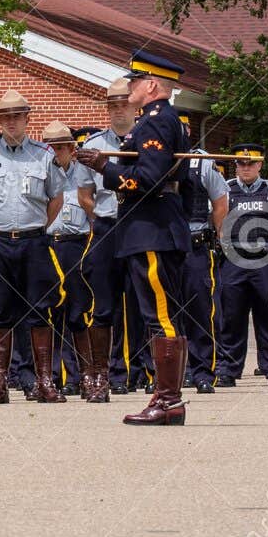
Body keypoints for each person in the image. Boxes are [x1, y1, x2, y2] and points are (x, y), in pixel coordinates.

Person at [73, 51, 193, 426]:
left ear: (153, 86)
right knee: (160, 316)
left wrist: (104, 168)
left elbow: (150, 177)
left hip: (152, 230)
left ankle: (169, 400)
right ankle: (166, 397)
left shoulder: (156, 122)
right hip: (149, 229)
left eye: (136, 82)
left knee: (161, 318)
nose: (130, 88)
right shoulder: (156, 122)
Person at [0, 91, 66, 404]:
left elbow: (56, 198)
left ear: (26, 119)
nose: (11, 122)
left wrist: (39, 228)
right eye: (5, 117)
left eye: (16, 116)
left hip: (34, 241)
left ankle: (44, 380)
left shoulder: (44, 155)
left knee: (39, 310)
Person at [78, 80, 143, 394]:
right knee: (103, 305)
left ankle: (143, 371)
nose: (119, 111)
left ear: (135, 106)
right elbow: (84, 195)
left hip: (139, 228)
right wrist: (102, 216)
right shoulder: (93, 146)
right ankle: (104, 375)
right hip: (106, 228)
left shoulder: (147, 140)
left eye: (124, 104)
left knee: (141, 304)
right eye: (113, 106)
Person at [214, 143, 268, 388]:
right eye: (241, 163)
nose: (245, 168)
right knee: (231, 316)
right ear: (235, 165)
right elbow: (216, 220)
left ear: (260, 164)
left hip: (263, 262)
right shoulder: (225, 190)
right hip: (233, 260)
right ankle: (228, 369)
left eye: (250, 163)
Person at [179, 113, 227, 393]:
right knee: (169, 315)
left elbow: (220, 203)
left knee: (201, 311)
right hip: (166, 248)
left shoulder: (202, 161)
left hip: (196, 245)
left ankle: (202, 372)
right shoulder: (154, 158)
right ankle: (172, 372)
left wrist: (215, 235)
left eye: (183, 129)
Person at [42, 122, 90, 401]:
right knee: (48, 315)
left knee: (76, 313)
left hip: (75, 246)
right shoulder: (39, 174)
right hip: (47, 246)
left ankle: (80, 375)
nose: (55, 152)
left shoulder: (83, 175)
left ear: (72, 149)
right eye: (50, 147)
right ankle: (51, 376)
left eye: (61, 147)